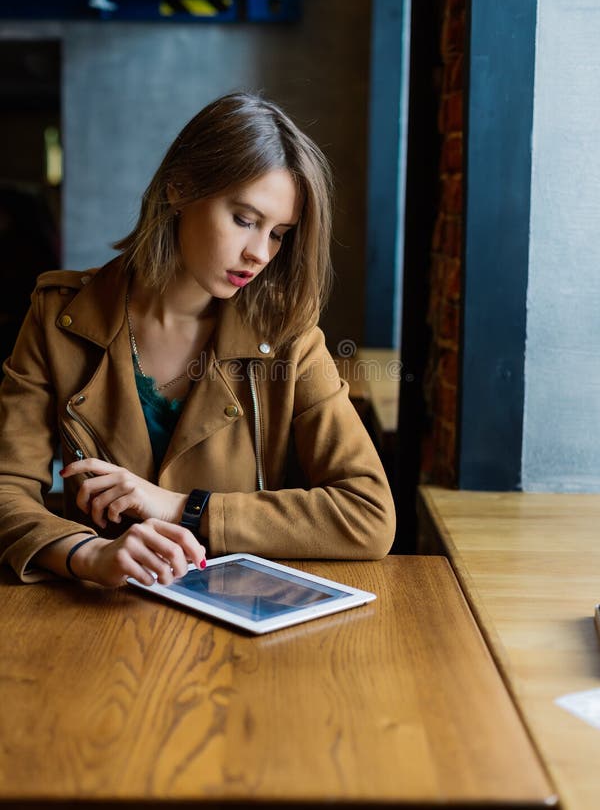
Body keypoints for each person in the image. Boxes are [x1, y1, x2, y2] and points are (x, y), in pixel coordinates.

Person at [0, 92, 395, 589]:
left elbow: (369, 515)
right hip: (96, 617)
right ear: (179, 189)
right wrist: (89, 554)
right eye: (245, 220)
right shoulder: (59, 315)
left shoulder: (288, 336)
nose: (259, 253)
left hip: (244, 621)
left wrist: (183, 507)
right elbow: (6, 488)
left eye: (279, 234)